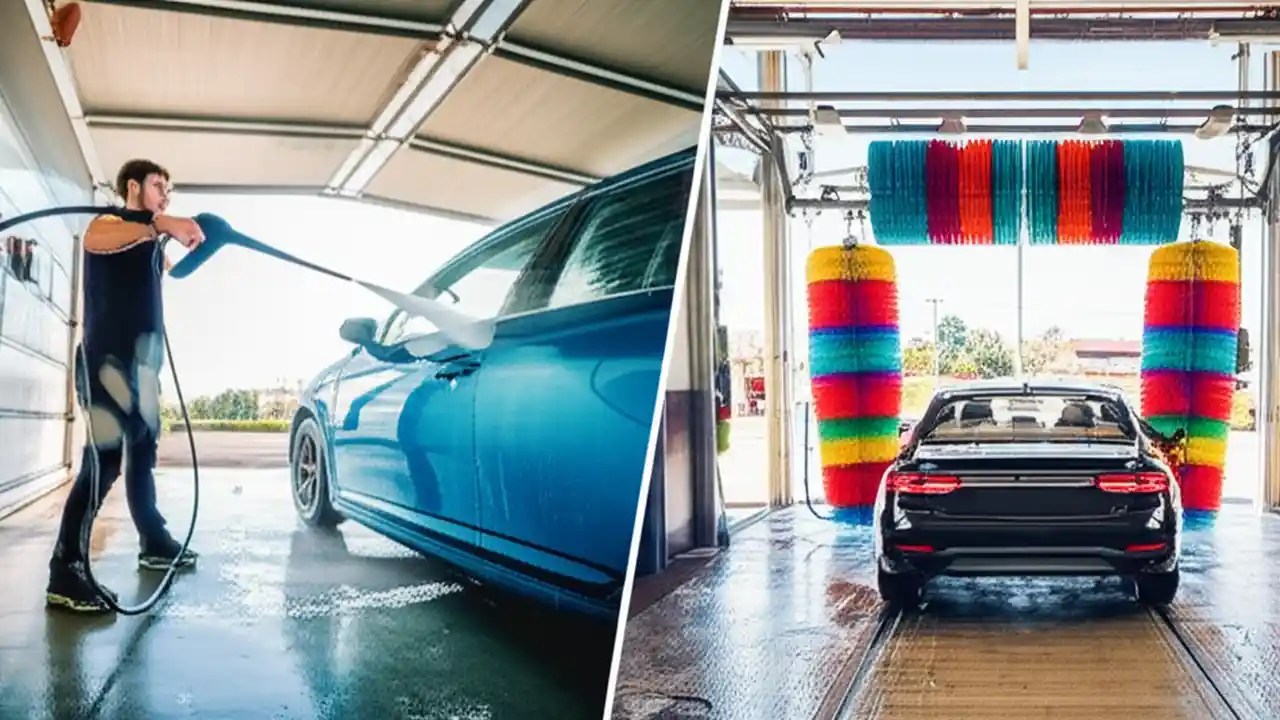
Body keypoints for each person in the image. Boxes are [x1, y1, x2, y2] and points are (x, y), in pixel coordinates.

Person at [46, 159, 206, 613]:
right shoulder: (107, 226)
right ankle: (66, 573)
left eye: (169, 190)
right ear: (133, 186)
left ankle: (154, 541)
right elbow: (107, 237)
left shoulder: (148, 239)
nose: (165, 196)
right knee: (104, 463)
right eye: (158, 185)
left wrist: (203, 238)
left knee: (142, 454)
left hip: (144, 371)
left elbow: (172, 268)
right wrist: (163, 223)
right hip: (107, 367)